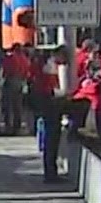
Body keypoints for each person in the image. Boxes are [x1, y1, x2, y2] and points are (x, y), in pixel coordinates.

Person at [32, 47, 71, 183]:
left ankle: (51, 172)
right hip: (51, 106)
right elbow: (50, 89)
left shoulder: (45, 65)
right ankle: (50, 174)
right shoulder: (49, 67)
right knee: (52, 140)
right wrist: (63, 93)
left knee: (51, 140)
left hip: (48, 106)